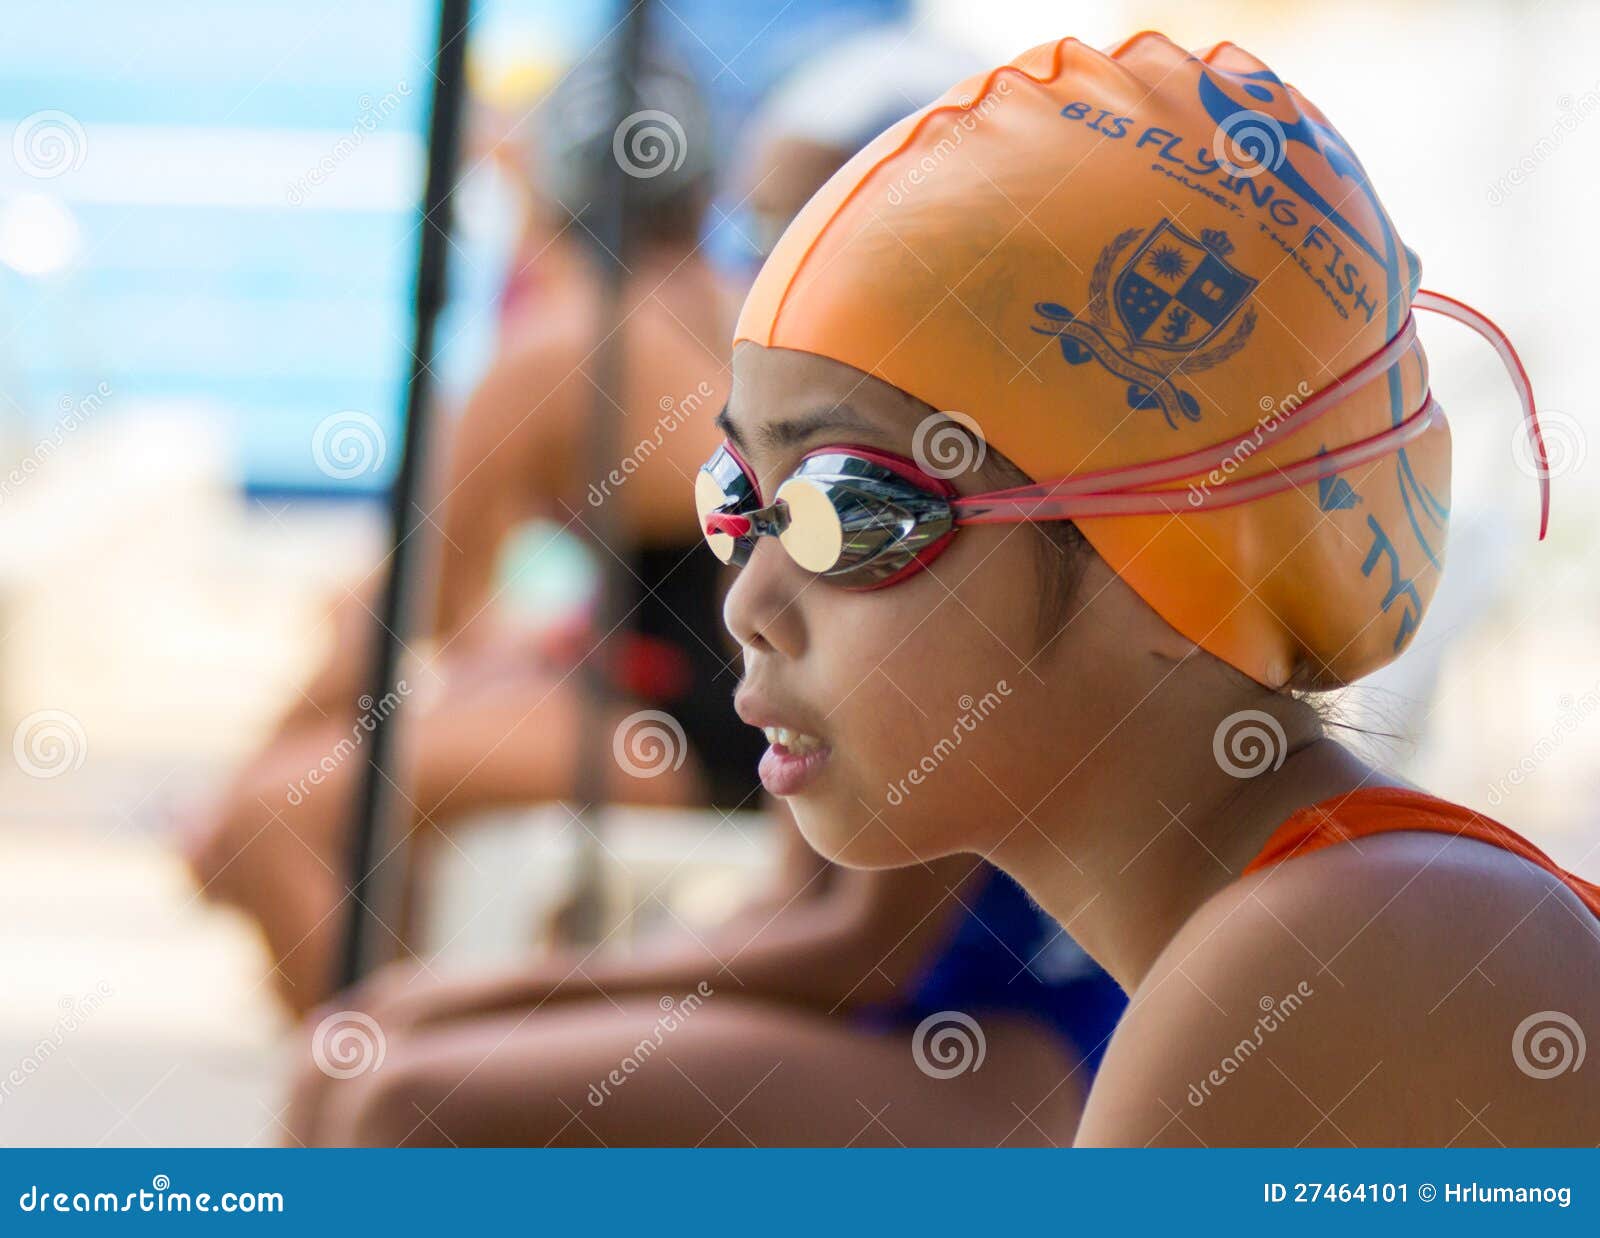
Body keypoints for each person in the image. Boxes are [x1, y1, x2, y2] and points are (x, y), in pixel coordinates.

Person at [695, 30, 1599, 1146]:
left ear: (1176, 556)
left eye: (852, 507)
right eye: (738, 495)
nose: (747, 603)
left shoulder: (1328, 958)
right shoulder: (1333, 918)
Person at [283, 26, 1127, 1148]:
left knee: (399, 1093)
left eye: (805, 231)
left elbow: (862, 948)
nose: (768, 268)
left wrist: (500, 994)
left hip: (1010, 1053)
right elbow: (798, 901)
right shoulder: (827, 501)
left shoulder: (968, 531)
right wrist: (484, 997)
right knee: (356, 1056)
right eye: (763, 231)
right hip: (889, 1006)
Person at [180, 47, 763, 1013]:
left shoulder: (562, 347)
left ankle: (384, 1085)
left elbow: (405, 612)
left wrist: (244, 776)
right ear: (703, 189)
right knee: (427, 752)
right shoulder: (735, 311)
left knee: (268, 823)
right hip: (758, 715)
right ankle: (425, 1050)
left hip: (696, 740)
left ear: (544, 194)